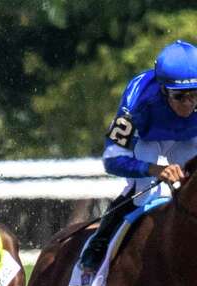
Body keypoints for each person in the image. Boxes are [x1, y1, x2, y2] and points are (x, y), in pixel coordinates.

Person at [82, 40, 197, 270]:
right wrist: (155, 170)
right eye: (180, 96)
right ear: (163, 89)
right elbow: (112, 160)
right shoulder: (136, 104)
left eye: (195, 94)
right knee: (145, 192)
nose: (188, 103)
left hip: (189, 138)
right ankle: (100, 241)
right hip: (147, 140)